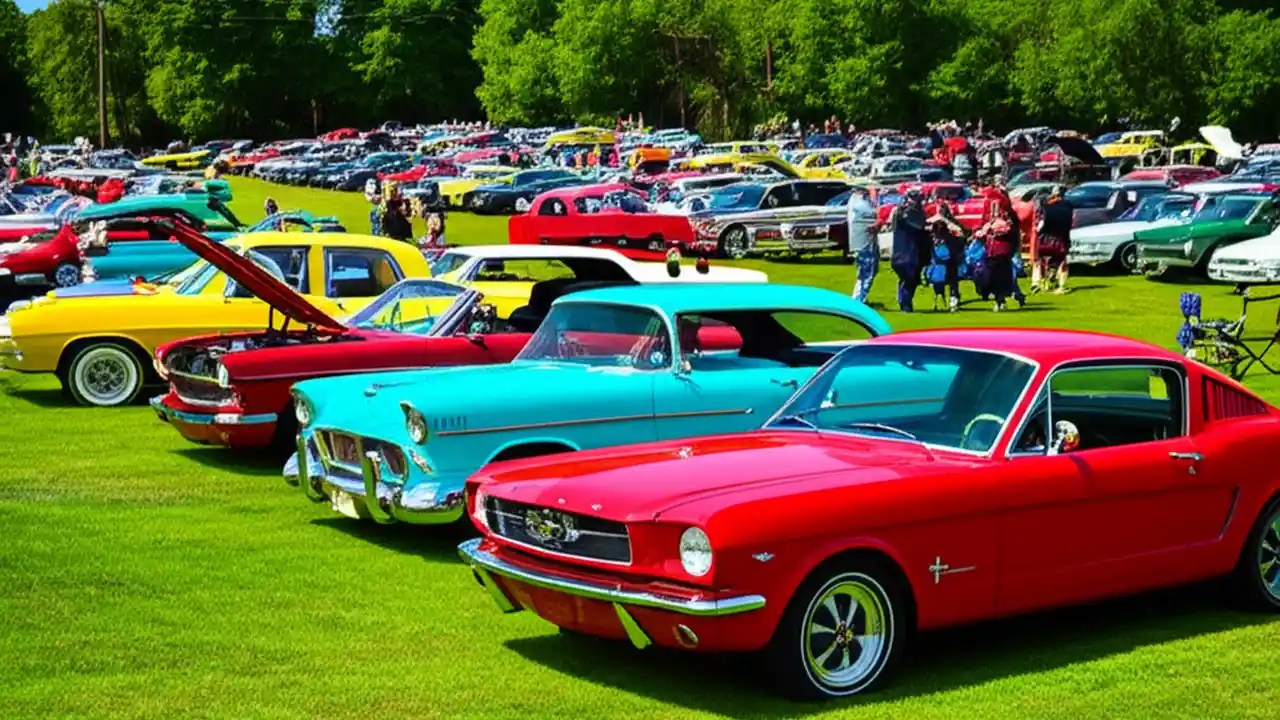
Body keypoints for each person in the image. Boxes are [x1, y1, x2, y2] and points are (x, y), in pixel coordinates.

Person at [889, 189, 929, 312]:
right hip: (904, 251)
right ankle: (904, 303)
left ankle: (905, 302)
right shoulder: (903, 213)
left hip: (915, 250)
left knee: (911, 278)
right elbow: (916, 226)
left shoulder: (918, 212)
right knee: (908, 277)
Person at [1036, 185, 1074, 293]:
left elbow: (1041, 226)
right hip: (1062, 240)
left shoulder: (1046, 208)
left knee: (1043, 261)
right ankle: (1061, 285)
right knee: (1062, 263)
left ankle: (1044, 283)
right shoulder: (1069, 207)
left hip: (1045, 241)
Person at [926, 210, 966, 312]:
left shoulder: (931, 240)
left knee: (937, 284)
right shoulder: (951, 238)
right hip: (950, 264)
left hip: (937, 266)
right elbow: (961, 241)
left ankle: (939, 301)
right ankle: (953, 301)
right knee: (953, 283)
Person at [846, 186, 879, 303]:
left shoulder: (854, 201)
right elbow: (875, 212)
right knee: (866, 272)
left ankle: (859, 298)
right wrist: (874, 197)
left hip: (862, 241)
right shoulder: (859, 203)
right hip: (864, 242)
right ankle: (859, 300)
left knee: (866, 271)